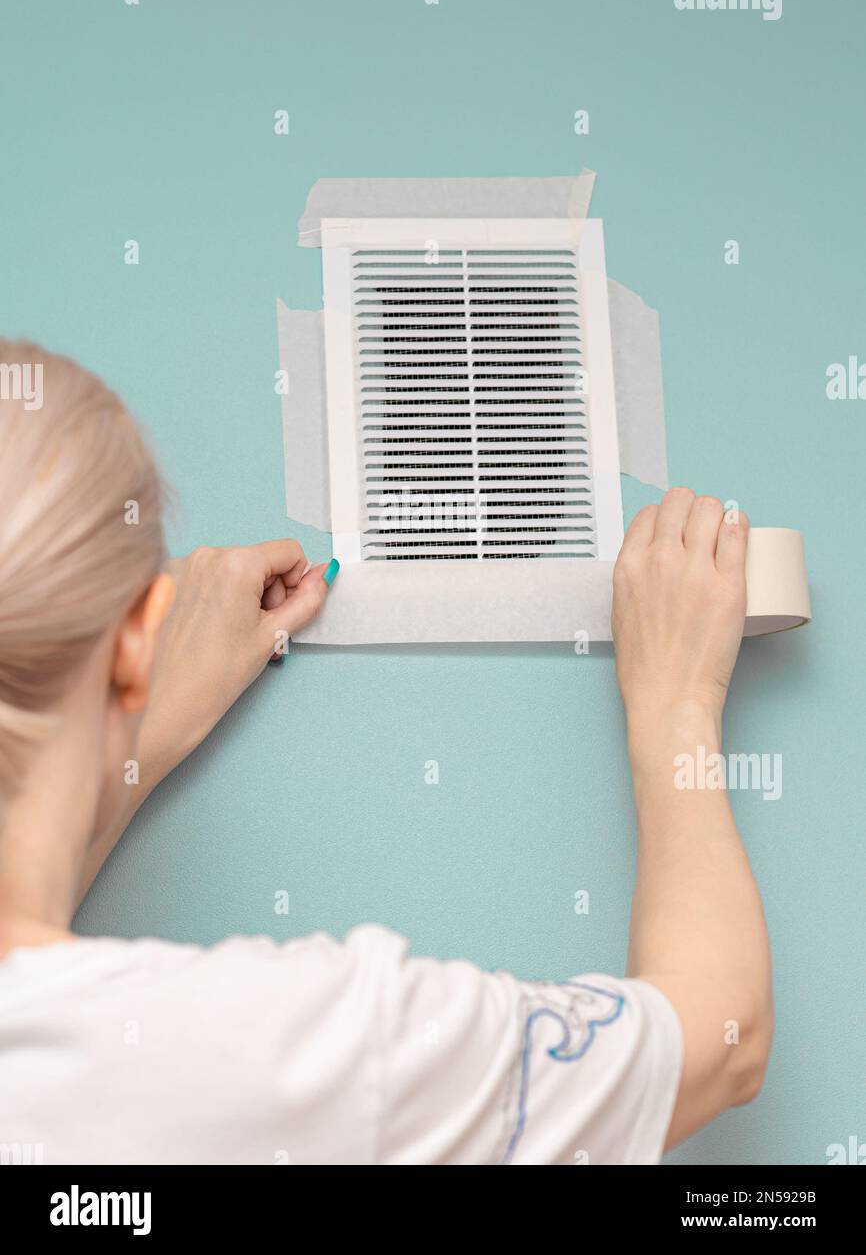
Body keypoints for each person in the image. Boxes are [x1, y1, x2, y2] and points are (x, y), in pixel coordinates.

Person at [0, 341, 772, 1166]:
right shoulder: (295, 1049)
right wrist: (677, 704)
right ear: (130, 644)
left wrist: (136, 738)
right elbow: (718, 1036)